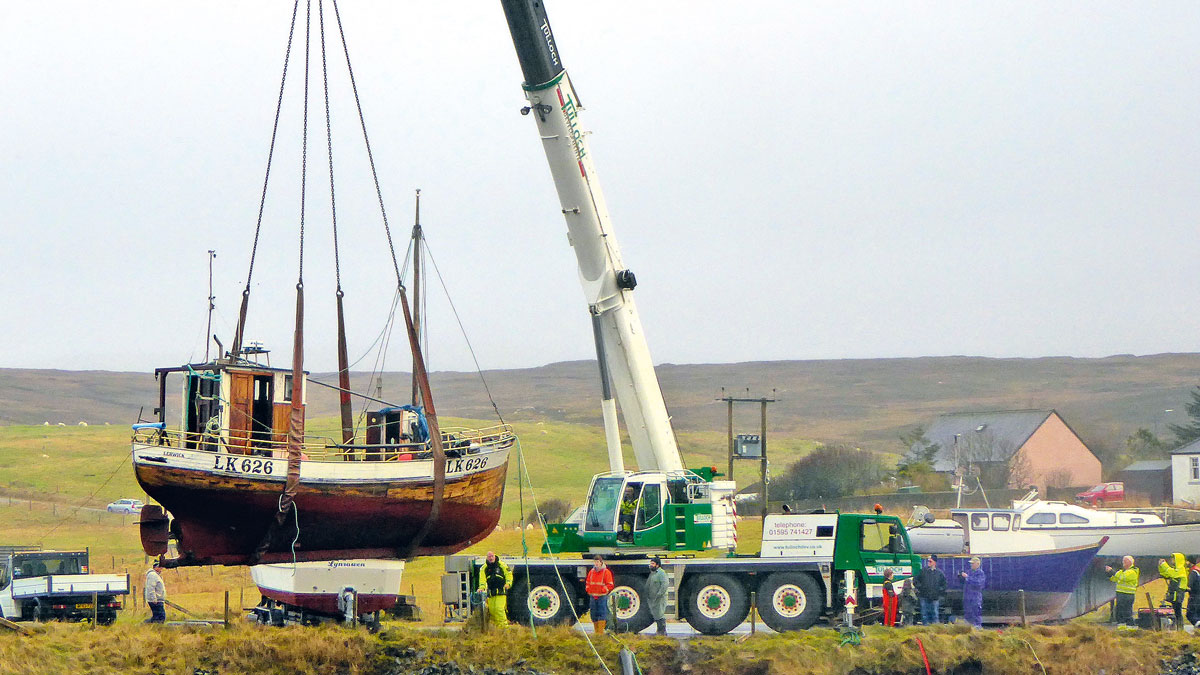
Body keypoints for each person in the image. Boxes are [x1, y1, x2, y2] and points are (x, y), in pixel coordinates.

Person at [477, 551, 513, 629]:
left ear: (495, 556)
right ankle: (496, 630)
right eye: (489, 557)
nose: (491, 558)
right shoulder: (484, 568)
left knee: (499, 609)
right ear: (487, 558)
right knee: (492, 611)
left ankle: (504, 629)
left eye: (492, 556)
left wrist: (508, 583)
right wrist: (481, 587)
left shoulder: (502, 565)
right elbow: (482, 579)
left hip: (501, 591)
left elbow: (508, 574)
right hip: (491, 593)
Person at [1105, 555, 1139, 626]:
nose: (1123, 563)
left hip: (1128, 595)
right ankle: (1122, 627)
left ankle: (1130, 627)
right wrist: (1109, 574)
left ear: (1129, 562)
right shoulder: (1123, 571)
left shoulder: (1132, 572)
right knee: (1120, 612)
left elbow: (1122, 577)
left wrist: (1112, 571)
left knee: (1127, 613)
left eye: (1124, 561)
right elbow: (1115, 579)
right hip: (1121, 594)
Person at [914, 555, 946, 625]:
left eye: (930, 561)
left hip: (934, 597)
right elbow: (915, 581)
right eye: (928, 561)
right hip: (924, 596)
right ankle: (926, 628)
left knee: (935, 614)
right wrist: (921, 588)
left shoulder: (939, 573)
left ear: (935, 562)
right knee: (924, 614)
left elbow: (944, 584)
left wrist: (938, 591)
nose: (929, 563)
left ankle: (935, 628)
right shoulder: (923, 571)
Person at [586, 555, 615, 634]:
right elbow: (588, 582)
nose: (596, 564)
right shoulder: (591, 572)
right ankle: (596, 632)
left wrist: (603, 590)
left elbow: (610, 584)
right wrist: (588, 589)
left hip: (602, 596)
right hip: (593, 596)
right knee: (593, 614)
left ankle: (600, 632)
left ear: (601, 562)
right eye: (595, 562)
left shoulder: (606, 572)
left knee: (602, 613)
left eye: (597, 562)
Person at [1160, 552, 1189, 629]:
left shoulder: (1181, 569)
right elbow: (1166, 574)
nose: (1172, 560)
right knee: (1176, 612)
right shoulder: (1176, 570)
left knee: (1178, 612)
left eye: (1174, 558)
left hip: (1178, 594)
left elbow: (1172, 574)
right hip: (1174, 593)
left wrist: (1164, 565)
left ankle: (1180, 628)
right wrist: (1160, 567)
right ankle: (1178, 628)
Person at [645, 556, 669, 636]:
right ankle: (659, 631)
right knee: (656, 613)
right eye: (650, 563)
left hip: (659, 598)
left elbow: (664, 585)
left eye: (653, 563)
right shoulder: (652, 574)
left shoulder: (661, 573)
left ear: (657, 565)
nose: (651, 565)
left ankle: (662, 631)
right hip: (653, 598)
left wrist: (659, 595)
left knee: (660, 613)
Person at [960, 557, 986, 628]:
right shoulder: (969, 572)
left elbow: (978, 583)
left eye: (972, 563)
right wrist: (961, 577)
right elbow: (963, 583)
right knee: (968, 614)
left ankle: (977, 630)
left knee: (976, 614)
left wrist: (967, 577)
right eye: (971, 564)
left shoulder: (980, 573)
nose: (971, 565)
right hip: (967, 597)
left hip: (975, 597)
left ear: (978, 564)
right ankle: (968, 629)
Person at [1188, 556, 1200, 627]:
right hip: (1198, 595)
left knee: (1190, 614)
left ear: (1191, 562)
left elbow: (1190, 586)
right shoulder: (1198, 571)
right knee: (1198, 615)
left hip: (1195, 596)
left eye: (1187, 561)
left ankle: (1198, 627)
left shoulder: (1193, 572)